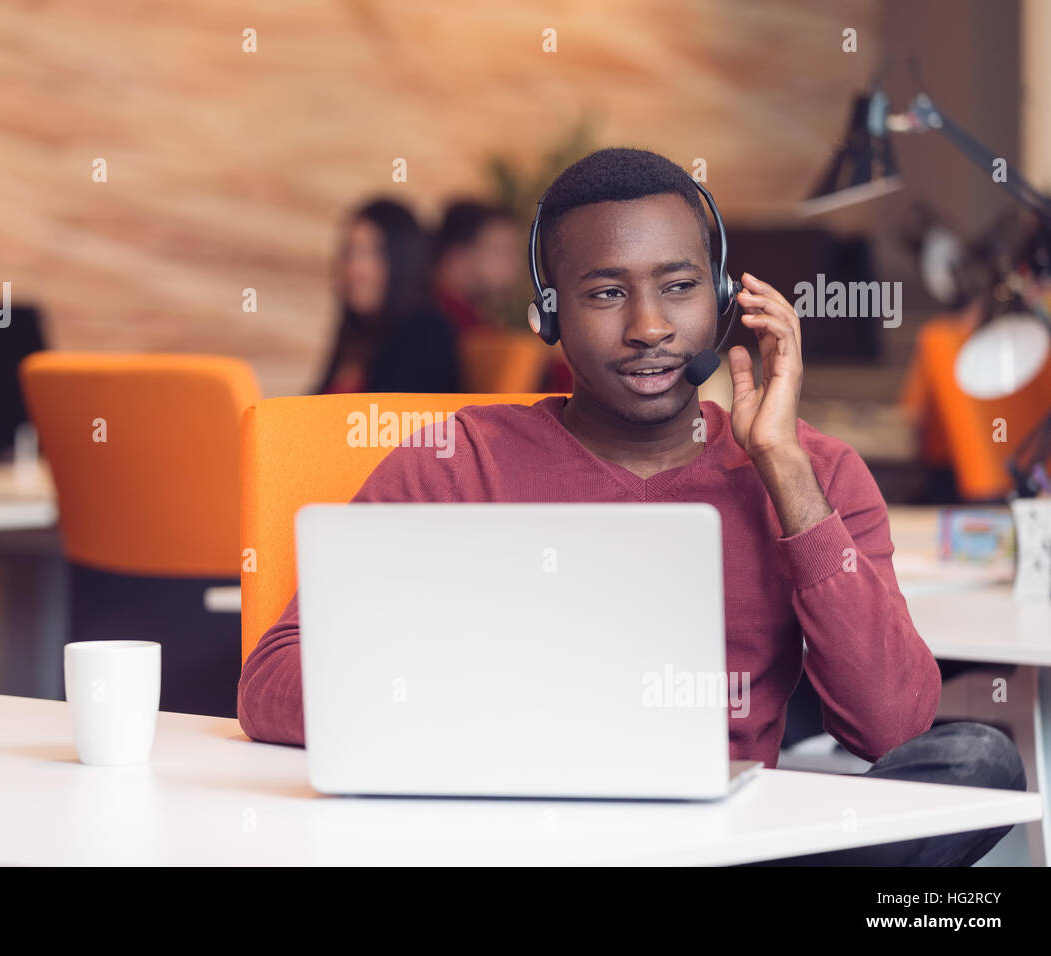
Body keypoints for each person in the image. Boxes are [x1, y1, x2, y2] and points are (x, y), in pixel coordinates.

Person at [244, 148, 1024, 866]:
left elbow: (891, 724)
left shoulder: (815, 472)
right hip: (513, 838)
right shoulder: (459, 459)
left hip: (727, 845)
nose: (649, 327)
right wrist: (493, 717)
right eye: (607, 293)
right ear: (547, 315)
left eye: (679, 287)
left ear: (721, 299)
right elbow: (271, 679)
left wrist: (783, 472)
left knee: (975, 764)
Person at [312, 199, 461, 394]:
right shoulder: (356, 333)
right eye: (350, 252)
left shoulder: (427, 334)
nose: (355, 269)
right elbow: (311, 408)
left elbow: (393, 420)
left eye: (373, 253)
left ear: (403, 259)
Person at [429, 199, 519, 336]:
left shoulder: (475, 323)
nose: (514, 265)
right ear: (457, 256)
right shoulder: (434, 328)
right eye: (501, 252)